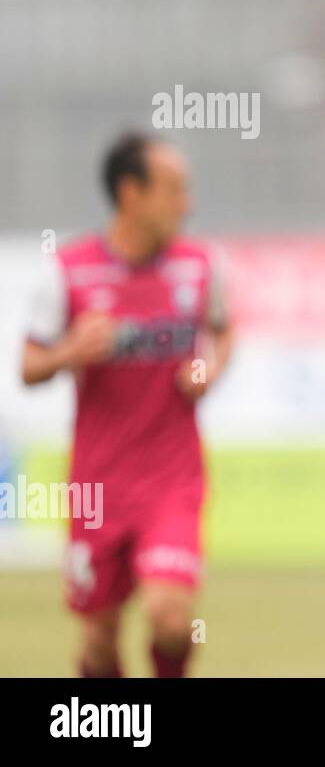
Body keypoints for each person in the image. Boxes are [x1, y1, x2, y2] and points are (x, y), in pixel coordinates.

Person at [21, 132, 234, 677]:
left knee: (170, 617)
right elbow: (29, 368)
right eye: (174, 190)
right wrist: (72, 350)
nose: (187, 204)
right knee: (98, 642)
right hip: (98, 485)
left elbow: (223, 331)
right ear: (130, 192)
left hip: (172, 478)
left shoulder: (200, 267)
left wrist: (208, 367)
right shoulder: (67, 271)